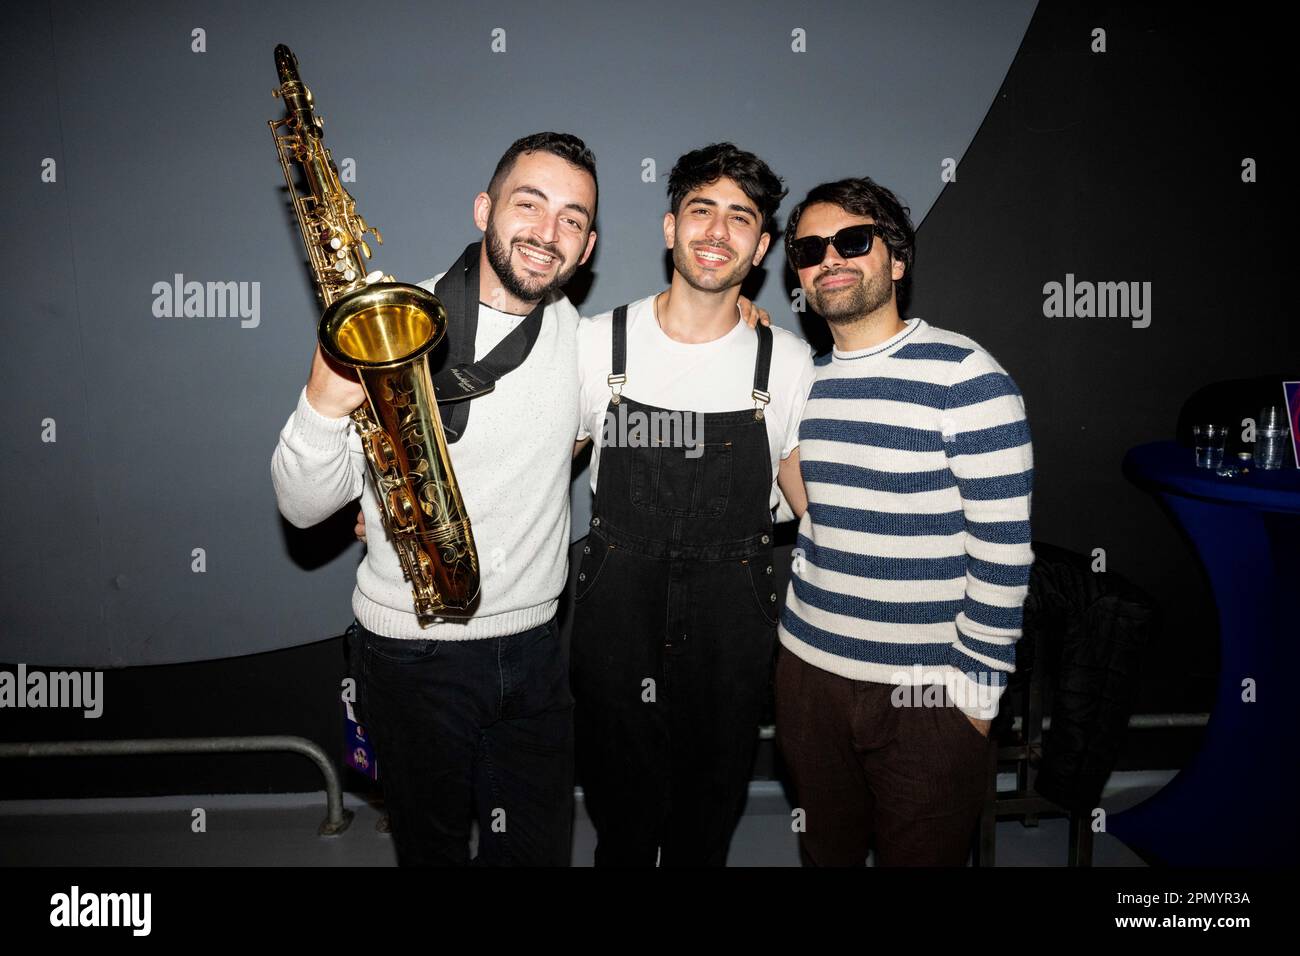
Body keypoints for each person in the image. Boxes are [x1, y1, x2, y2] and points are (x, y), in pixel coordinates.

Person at [272, 132, 599, 866]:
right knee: (432, 854)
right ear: (485, 208)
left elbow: (586, 432)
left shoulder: (590, 344)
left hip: (536, 652)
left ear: (587, 246)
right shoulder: (387, 319)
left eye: (572, 219)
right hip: (409, 656)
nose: (548, 233)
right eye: (530, 204)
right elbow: (301, 508)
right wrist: (326, 394)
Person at [569, 143, 817, 866]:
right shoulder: (598, 344)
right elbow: (533, 461)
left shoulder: (789, 361)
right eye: (701, 210)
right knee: (620, 820)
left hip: (730, 620)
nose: (718, 231)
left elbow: (814, 510)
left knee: (705, 823)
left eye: (740, 217)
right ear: (669, 227)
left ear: (763, 245)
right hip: (618, 610)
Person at [776, 177, 1034, 866]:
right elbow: (812, 508)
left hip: (927, 695)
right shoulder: (804, 382)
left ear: (896, 258)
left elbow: (1004, 555)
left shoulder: (966, 376)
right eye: (808, 249)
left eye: (853, 240)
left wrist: (974, 703)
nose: (829, 257)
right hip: (808, 679)